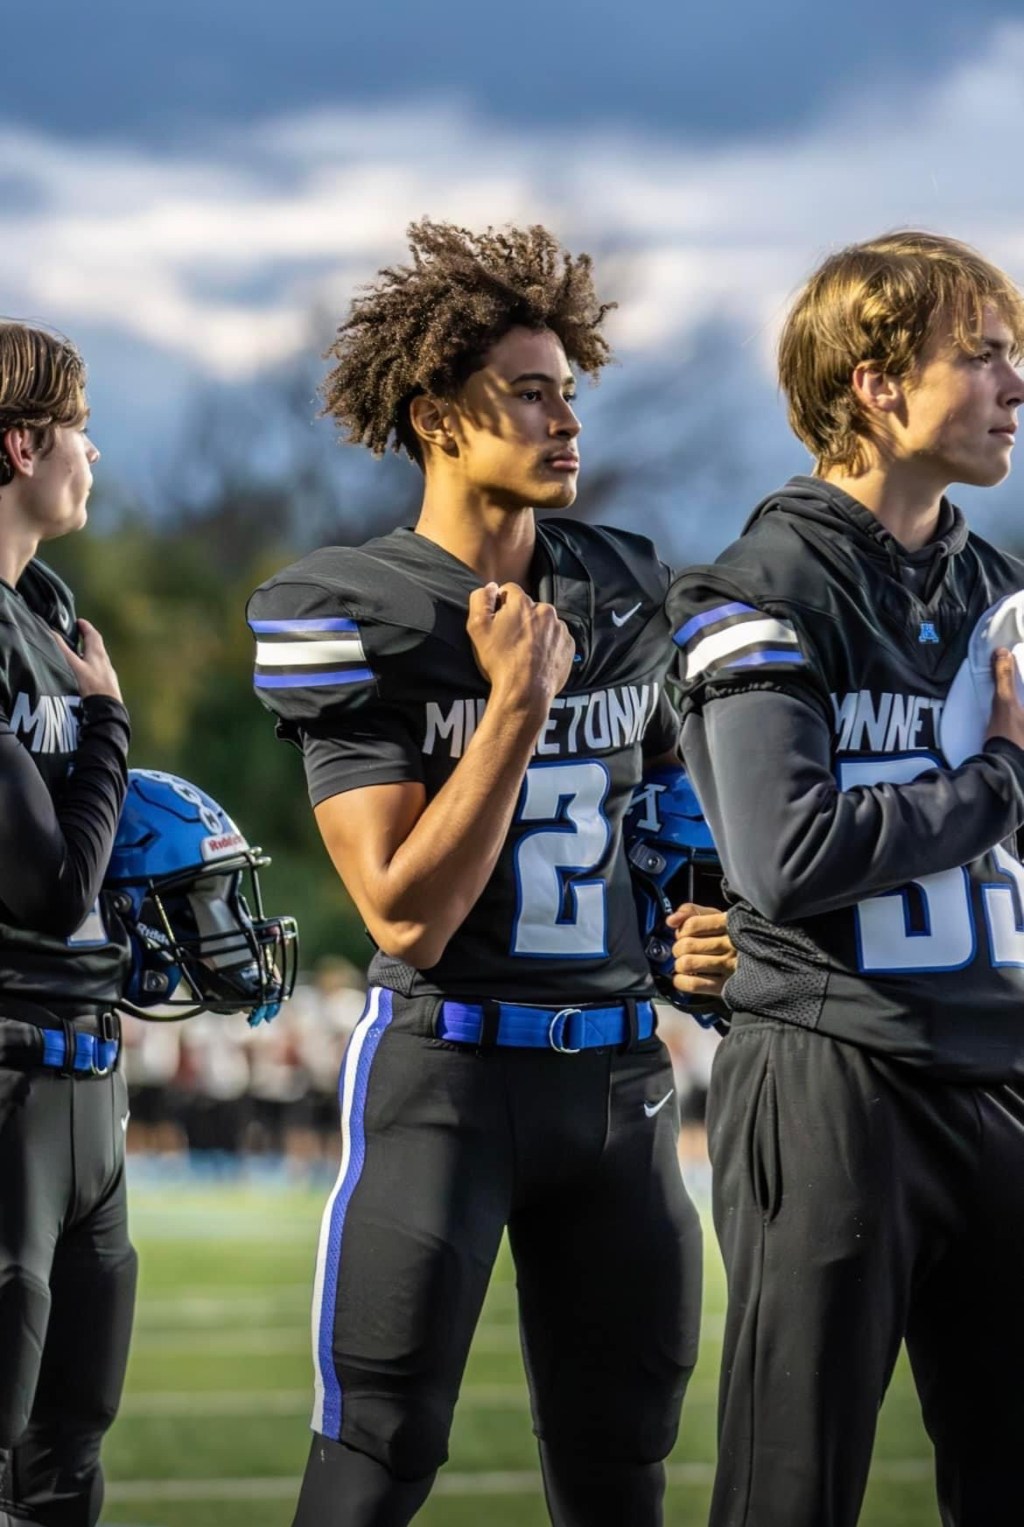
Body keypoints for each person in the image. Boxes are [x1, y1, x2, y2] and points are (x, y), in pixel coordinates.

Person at [247, 219, 733, 1527]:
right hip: (449, 1079)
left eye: (566, 390)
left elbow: (667, 802)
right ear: (437, 418)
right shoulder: (353, 606)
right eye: (527, 392)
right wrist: (514, 706)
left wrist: (702, 916)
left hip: (621, 1083)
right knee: (377, 1457)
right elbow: (403, 909)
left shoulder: (623, 582)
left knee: (621, 1468)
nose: (564, 419)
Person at [668, 231, 1024, 1527]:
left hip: (999, 1071)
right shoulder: (759, 587)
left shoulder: (1001, 593)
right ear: (875, 384)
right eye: (981, 355)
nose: (1013, 386)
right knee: (792, 1490)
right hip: (836, 1074)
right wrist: (1001, 775)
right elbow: (788, 854)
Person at [0, 322, 136, 1527]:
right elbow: (47, 887)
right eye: (79, 428)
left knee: (68, 1460)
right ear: (21, 443)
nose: (93, 452)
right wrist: (111, 728)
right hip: (9, 1081)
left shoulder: (46, 611)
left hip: (88, 1078)